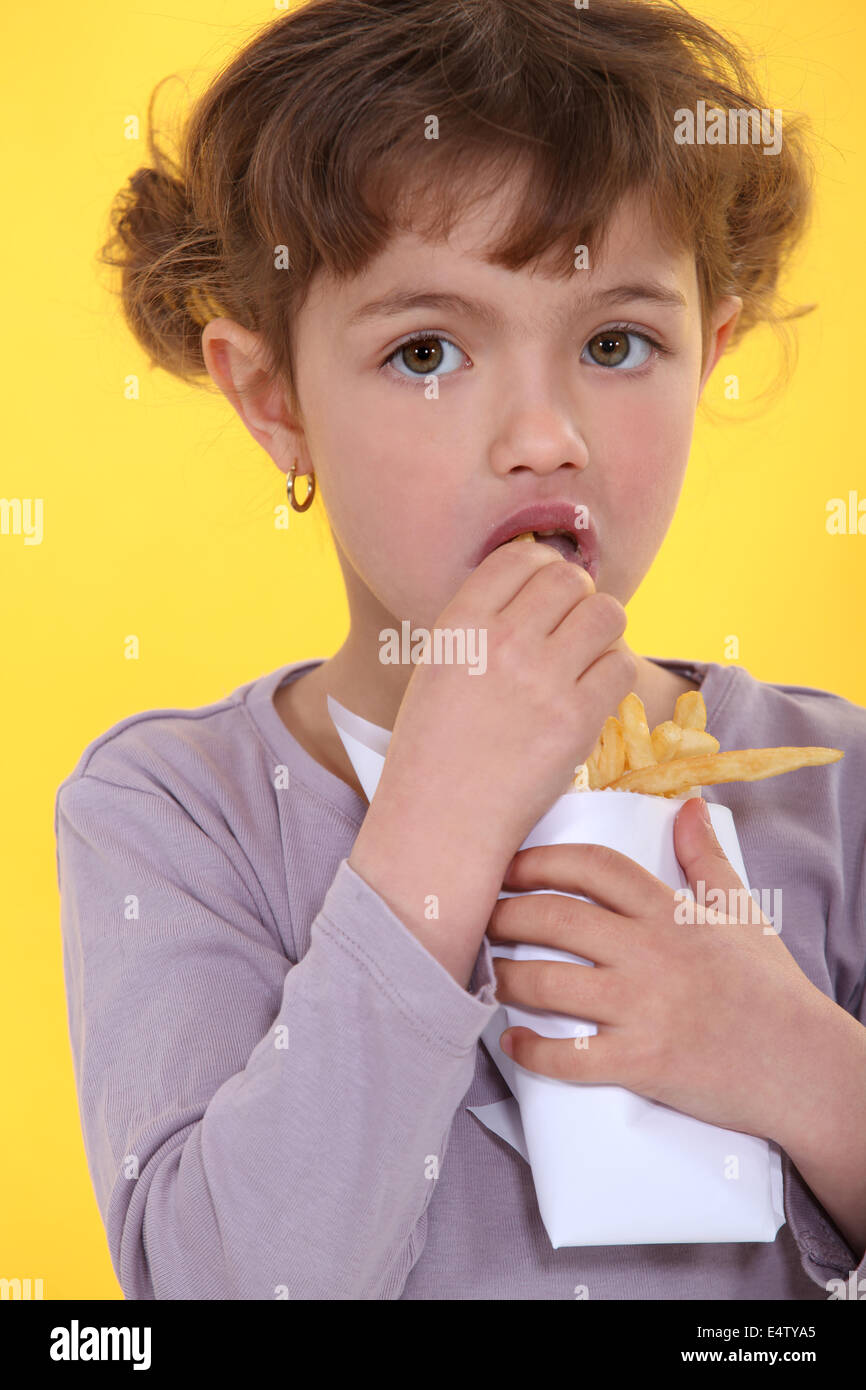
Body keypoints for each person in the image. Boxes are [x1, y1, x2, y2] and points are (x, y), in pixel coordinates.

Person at [55, 0, 866, 1299]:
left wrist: (803, 1064)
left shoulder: (830, 782)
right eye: (425, 350)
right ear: (274, 400)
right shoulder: (171, 811)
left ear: (705, 354)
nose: (544, 435)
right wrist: (430, 824)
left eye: (615, 342)